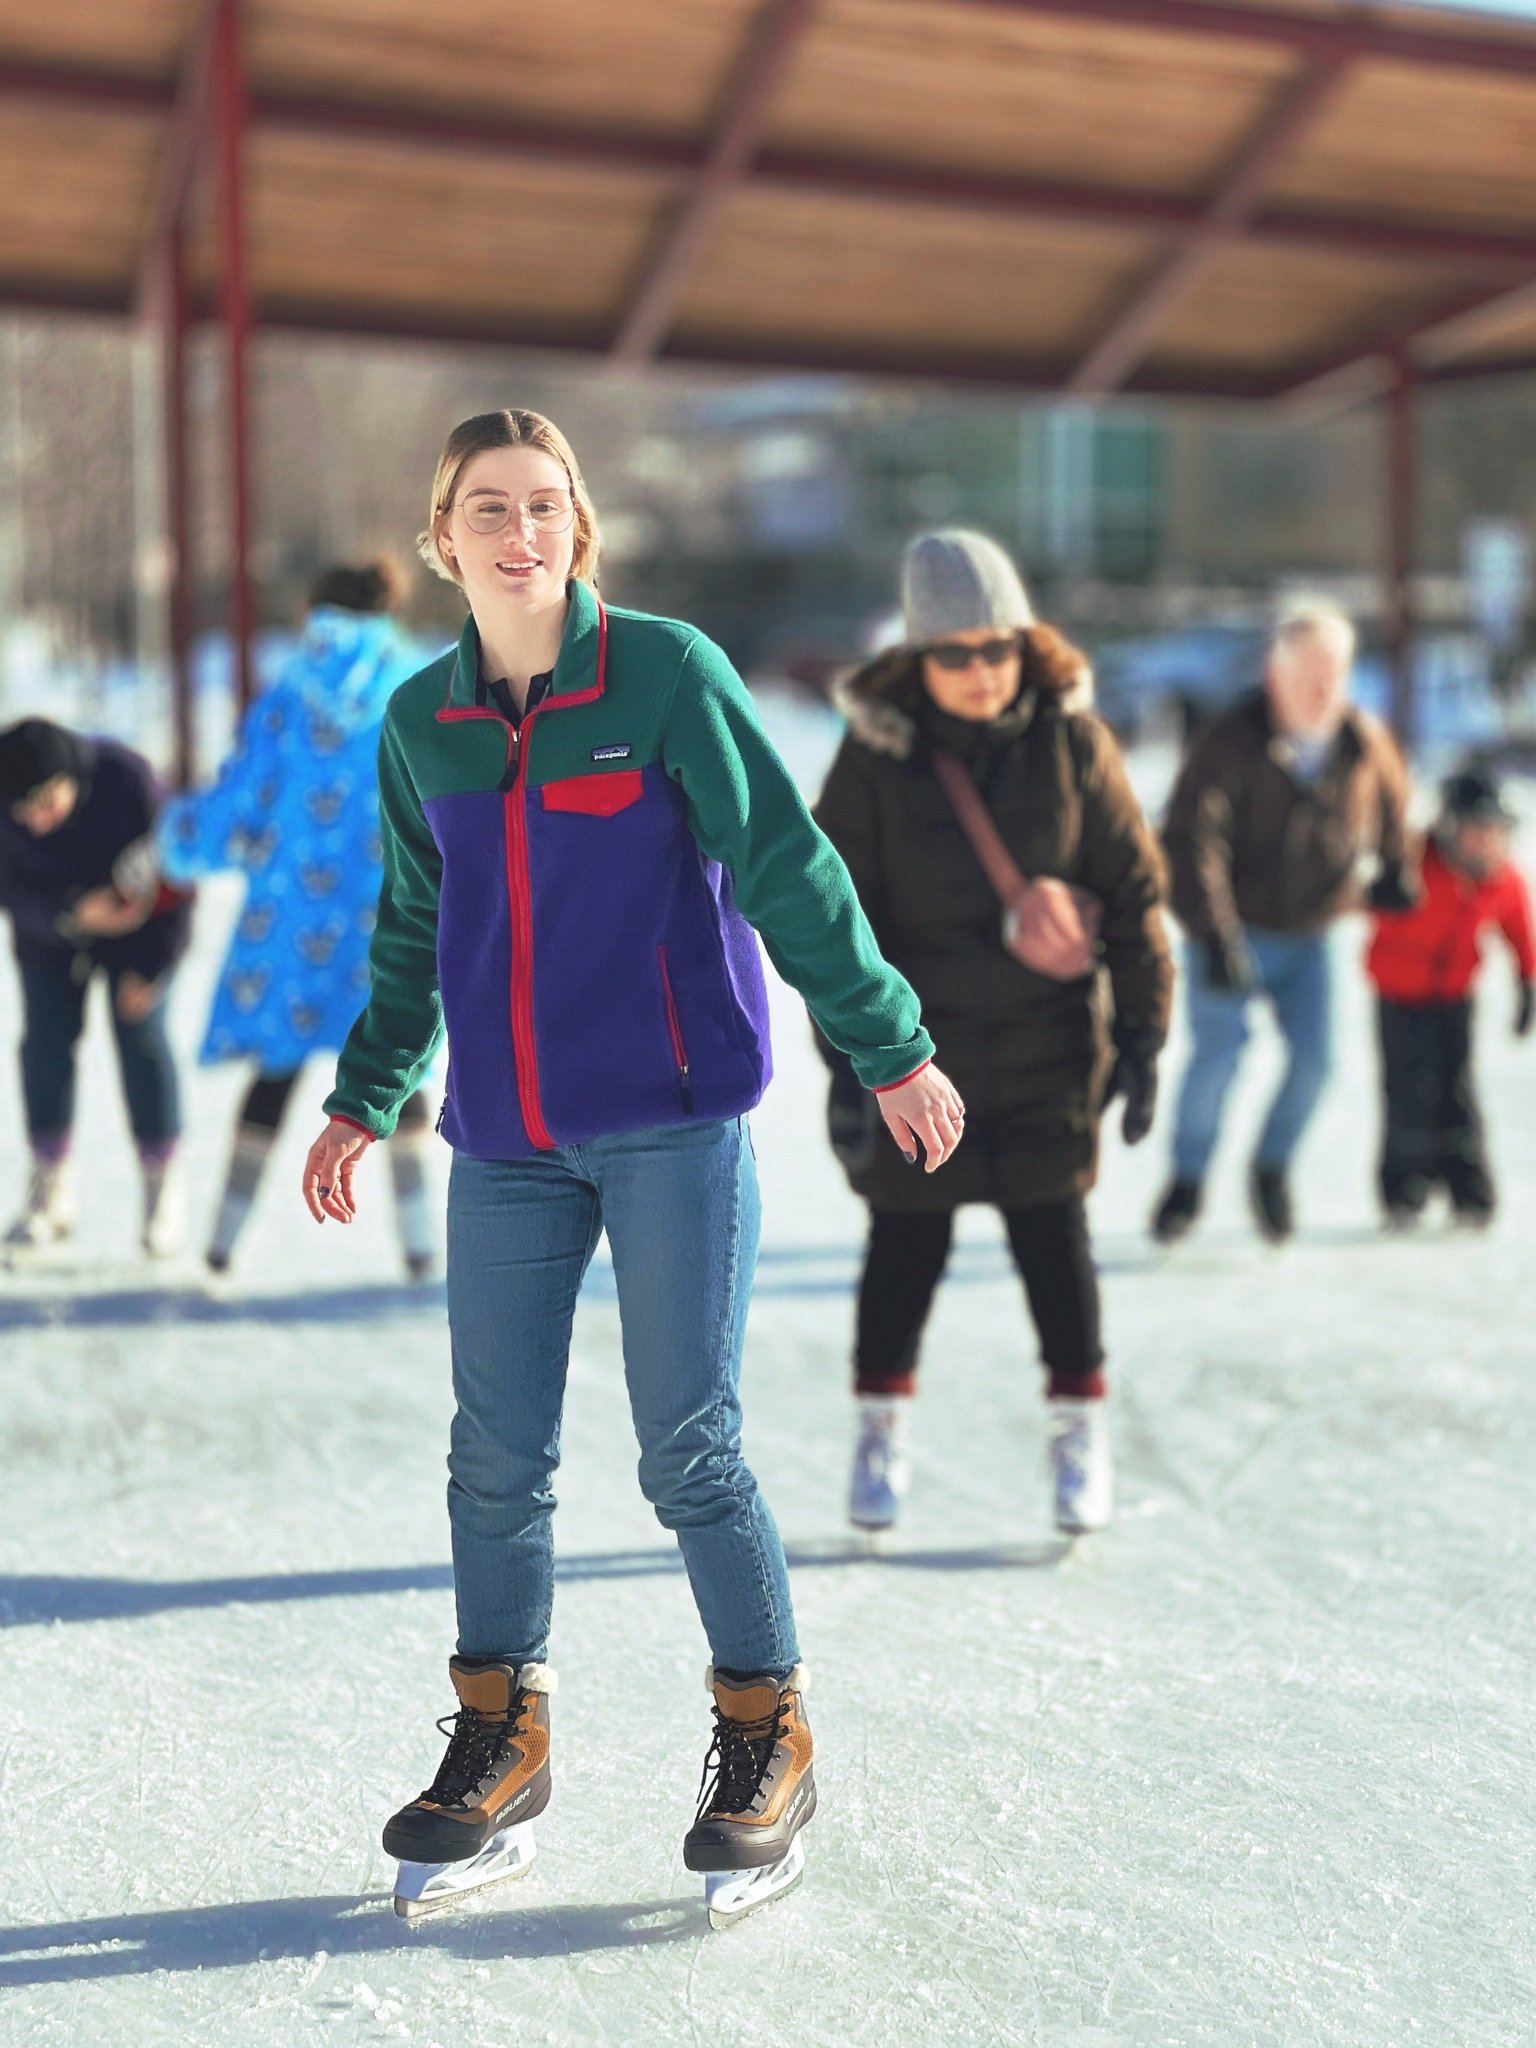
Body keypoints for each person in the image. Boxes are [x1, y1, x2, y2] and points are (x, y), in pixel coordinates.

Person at [298, 410, 963, 1925]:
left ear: (580, 527)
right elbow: (419, 928)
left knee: (688, 1447)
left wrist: (890, 1044)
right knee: (493, 1455)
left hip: (670, 1117)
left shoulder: (665, 675)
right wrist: (364, 1094)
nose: (520, 532)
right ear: (443, 538)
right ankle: (502, 1737)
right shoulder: (423, 723)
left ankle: (764, 1733)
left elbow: (789, 864)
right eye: (489, 509)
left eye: (545, 506)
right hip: (507, 1142)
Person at [813, 530, 1172, 1539]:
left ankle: (1078, 1431)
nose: (982, 671)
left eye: (1000, 648)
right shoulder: (876, 758)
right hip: (918, 1056)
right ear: (919, 657)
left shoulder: (1073, 744)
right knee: (906, 1242)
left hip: (1049, 1047)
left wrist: (1143, 1036)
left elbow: (1136, 896)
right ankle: (880, 1427)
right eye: (957, 652)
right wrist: (852, 1060)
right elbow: (828, 917)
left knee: (1055, 1240)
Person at [156, 560, 434, 1278]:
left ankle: (221, 1244)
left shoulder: (286, 697)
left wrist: (175, 847)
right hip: (393, 911)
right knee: (397, 1066)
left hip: (289, 919)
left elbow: (237, 801)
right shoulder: (421, 686)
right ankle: (420, 1242)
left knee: (275, 1071)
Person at [1152, 604, 1413, 1247]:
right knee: (1217, 1058)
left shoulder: (1361, 739)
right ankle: (1186, 1180)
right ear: (1276, 674)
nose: (1326, 688)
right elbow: (1191, 840)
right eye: (1311, 673)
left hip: (1313, 931)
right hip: (1233, 927)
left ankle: (1271, 1168)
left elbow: (1394, 805)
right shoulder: (1231, 741)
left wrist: (1396, 869)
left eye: (1337, 672)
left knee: (1318, 1061)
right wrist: (1212, 935)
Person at [0, 717, 192, 1255]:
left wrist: (153, 967)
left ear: (70, 778)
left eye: (46, 803)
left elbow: (179, 871)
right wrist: (70, 913)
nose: (36, 821)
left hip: (139, 932)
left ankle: (161, 1186)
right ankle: (49, 1187)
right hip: (49, 932)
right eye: (22, 812)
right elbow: (8, 889)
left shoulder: (127, 781)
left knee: (141, 1039)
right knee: (44, 1043)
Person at [1366, 767, 1533, 1228]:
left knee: (1456, 1087)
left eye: (1496, 834)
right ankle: (1405, 1189)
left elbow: (1518, 925)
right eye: (1478, 832)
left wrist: (1527, 981)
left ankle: (1468, 1189)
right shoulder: (1414, 861)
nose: (1487, 844)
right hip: (1399, 995)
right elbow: (1363, 889)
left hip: (1455, 996)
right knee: (1407, 1089)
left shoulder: (1500, 878)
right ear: (1450, 828)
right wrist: (1378, 891)